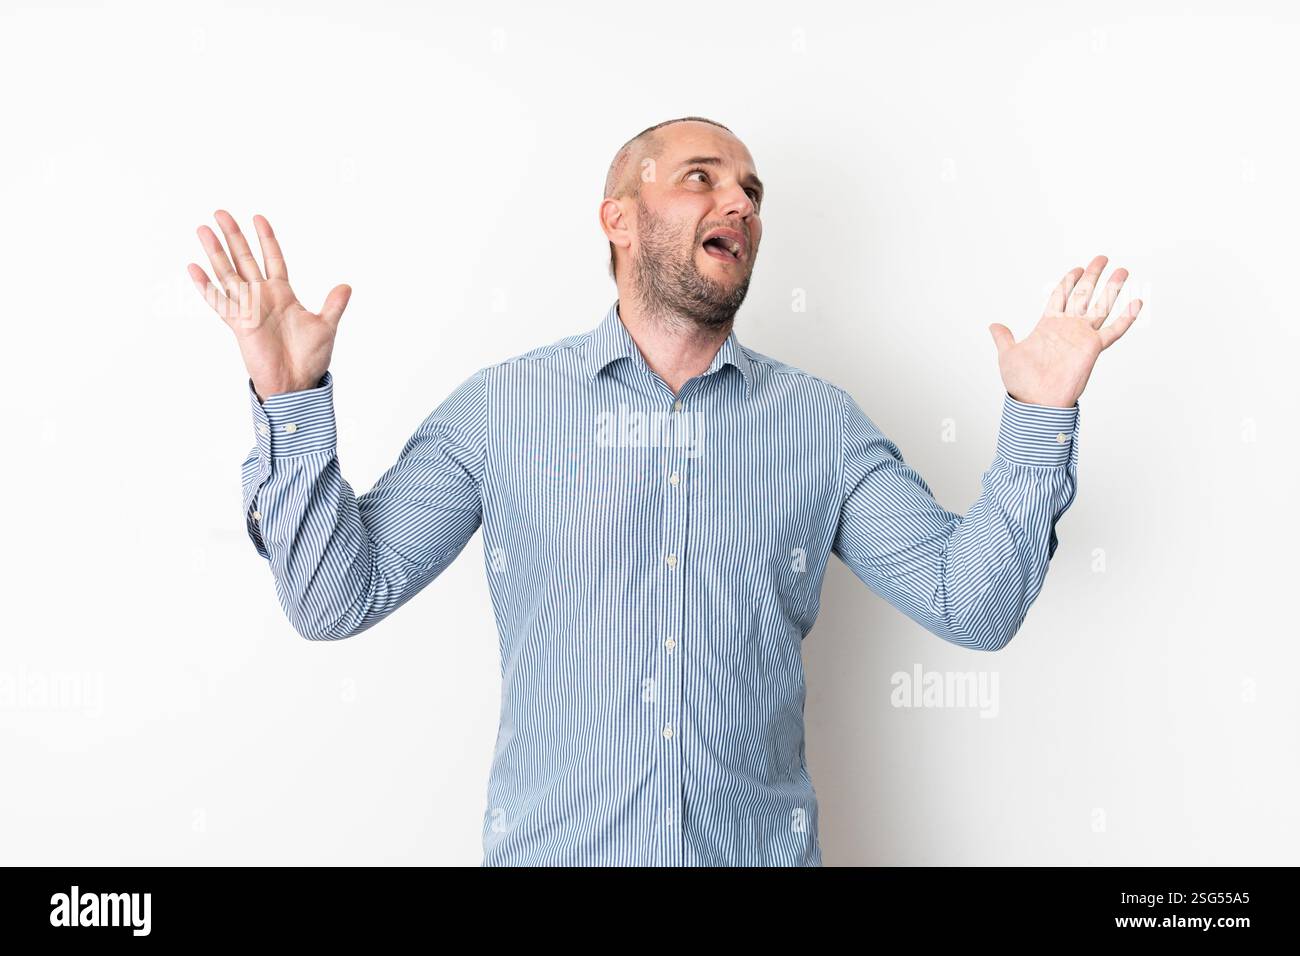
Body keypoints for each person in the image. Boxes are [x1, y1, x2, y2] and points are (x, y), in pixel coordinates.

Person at [187, 116, 1141, 866]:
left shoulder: (820, 426)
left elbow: (973, 606)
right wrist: (288, 397)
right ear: (618, 216)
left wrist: (1035, 419)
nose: (741, 202)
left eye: (753, 192)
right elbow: (331, 600)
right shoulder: (502, 411)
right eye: (703, 177)